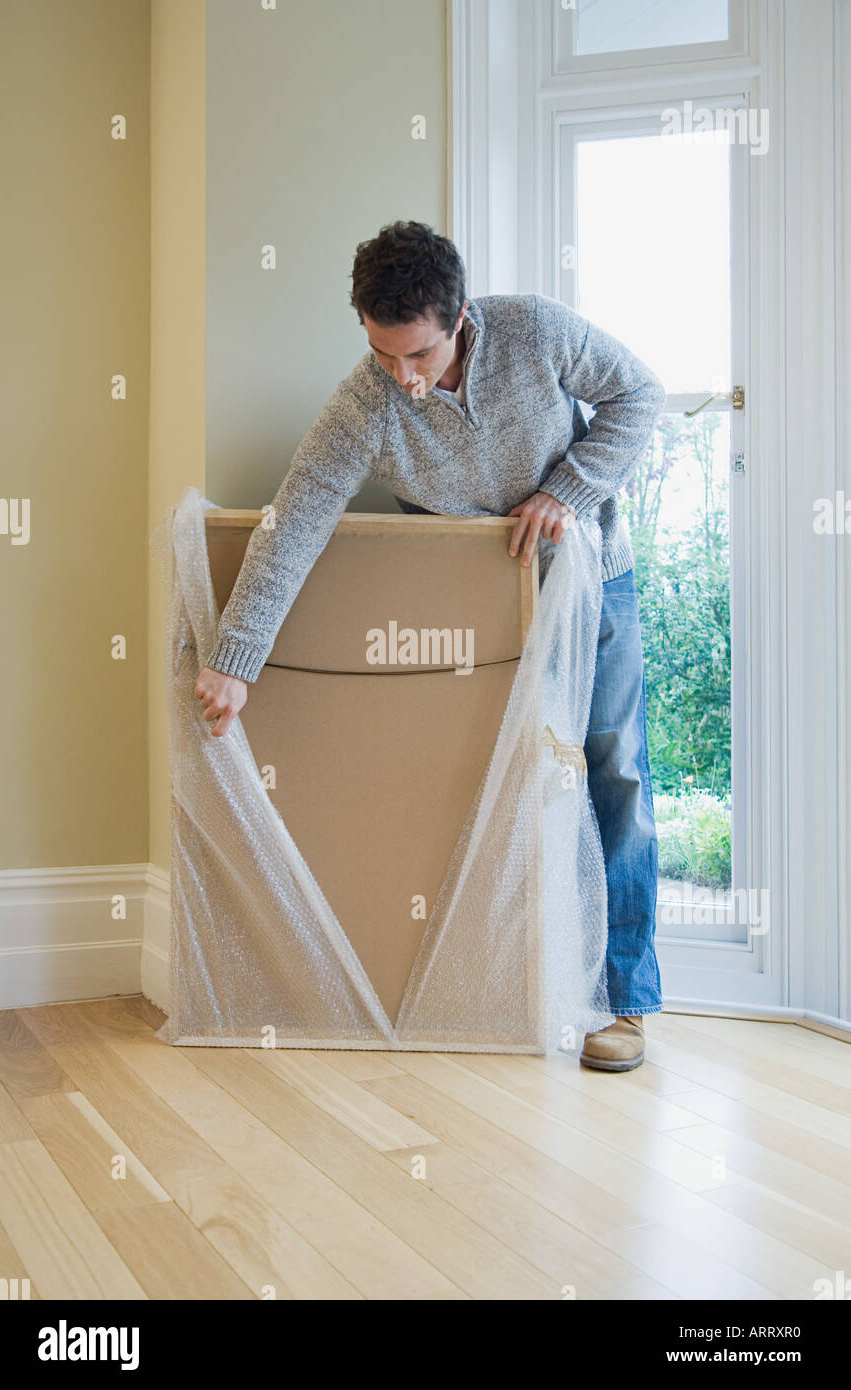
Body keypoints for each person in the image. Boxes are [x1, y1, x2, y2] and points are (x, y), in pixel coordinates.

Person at [195, 220, 666, 1071]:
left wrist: (567, 490)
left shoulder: (535, 331)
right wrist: (235, 660)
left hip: (592, 581)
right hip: (475, 610)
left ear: (460, 319)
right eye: (383, 356)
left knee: (609, 769)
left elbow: (639, 395)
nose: (403, 380)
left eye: (418, 357)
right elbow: (293, 523)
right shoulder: (365, 405)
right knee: (496, 787)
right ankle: (509, 991)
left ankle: (622, 1004)